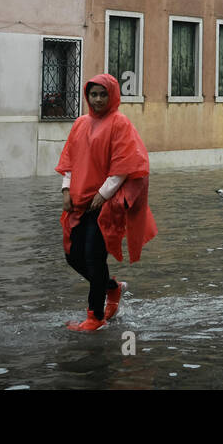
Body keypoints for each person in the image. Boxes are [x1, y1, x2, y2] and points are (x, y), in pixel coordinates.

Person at [56, 73, 157, 332]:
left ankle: (95, 317)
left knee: (93, 256)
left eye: (103, 94)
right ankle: (112, 288)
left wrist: (103, 194)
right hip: (79, 201)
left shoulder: (120, 123)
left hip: (104, 205)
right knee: (73, 256)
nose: (98, 99)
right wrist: (66, 190)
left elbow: (125, 164)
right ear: (87, 96)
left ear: (112, 96)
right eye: (93, 94)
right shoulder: (80, 123)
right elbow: (70, 160)